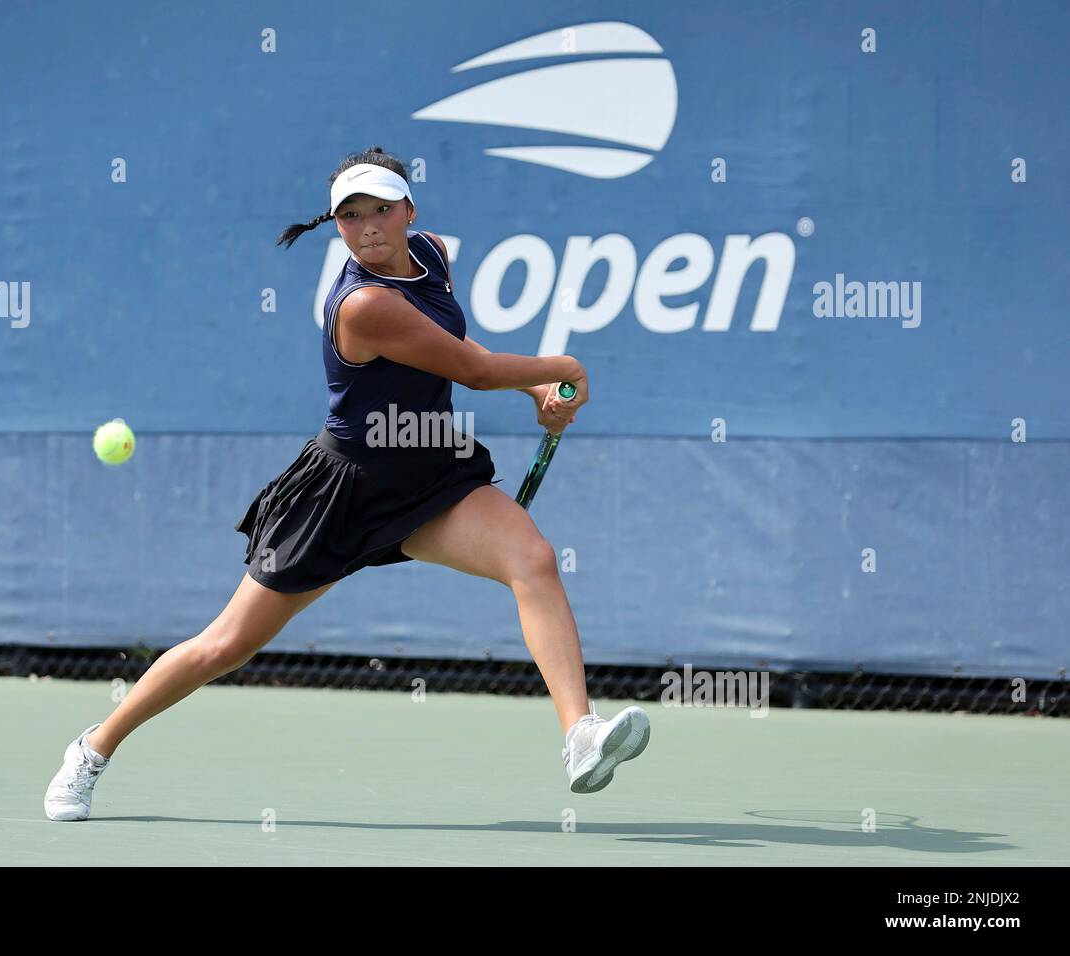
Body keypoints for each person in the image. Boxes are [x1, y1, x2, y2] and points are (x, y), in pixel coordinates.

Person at [44, 146, 649, 821]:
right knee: (228, 645)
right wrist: (561, 365)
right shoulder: (362, 306)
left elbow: (453, 362)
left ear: (408, 211)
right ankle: (92, 749)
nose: (366, 227)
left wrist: (536, 384)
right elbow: (476, 371)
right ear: (335, 225)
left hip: (428, 473)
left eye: (380, 211)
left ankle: (579, 735)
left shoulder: (434, 256)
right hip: (342, 492)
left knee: (533, 559)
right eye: (349, 216)